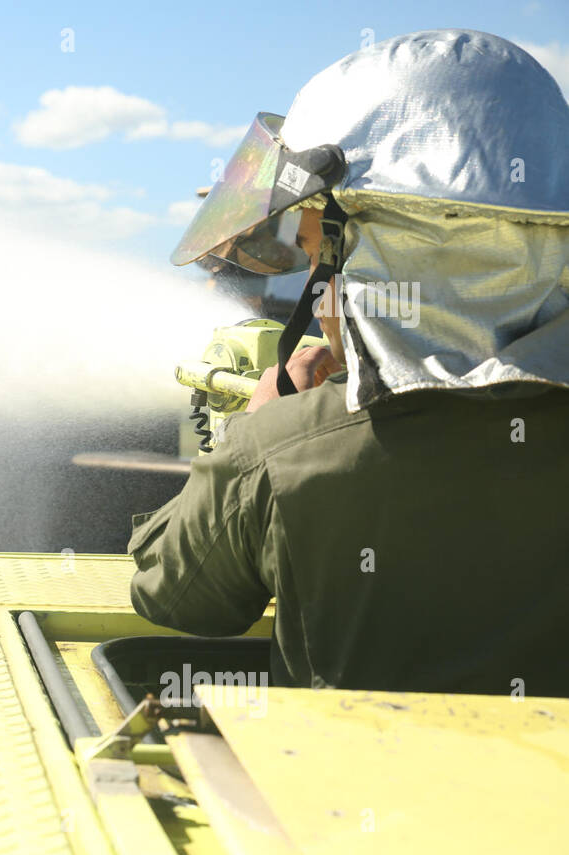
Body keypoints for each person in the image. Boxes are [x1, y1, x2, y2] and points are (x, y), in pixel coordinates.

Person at [129, 29, 569, 697]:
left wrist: (250, 435)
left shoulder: (284, 453)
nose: (315, 283)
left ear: (375, 259)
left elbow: (177, 597)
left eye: (313, 256)